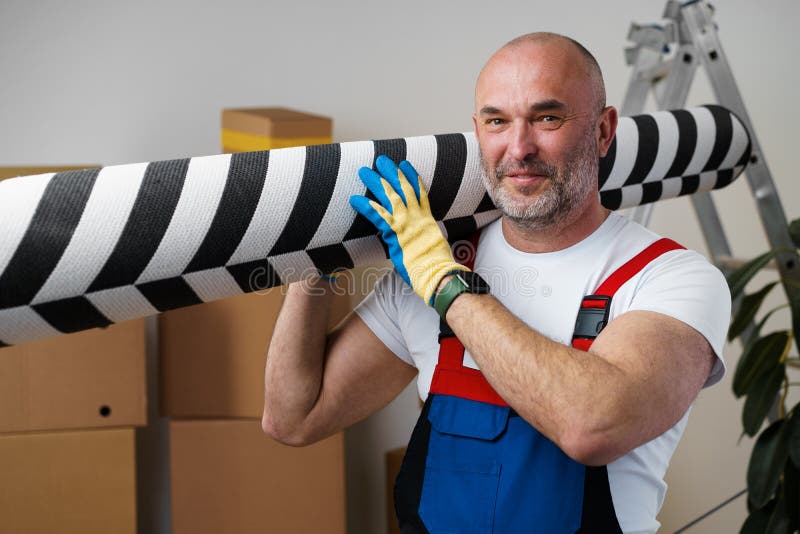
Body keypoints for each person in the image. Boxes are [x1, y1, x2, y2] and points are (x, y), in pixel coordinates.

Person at [262, 32, 730, 533]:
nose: (520, 147)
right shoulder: (429, 264)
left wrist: (445, 285)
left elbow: (591, 425)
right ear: (477, 131)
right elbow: (294, 417)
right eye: (497, 121)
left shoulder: (670, 278)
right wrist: (317, 259)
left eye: (547, 117)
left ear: (602, 131)